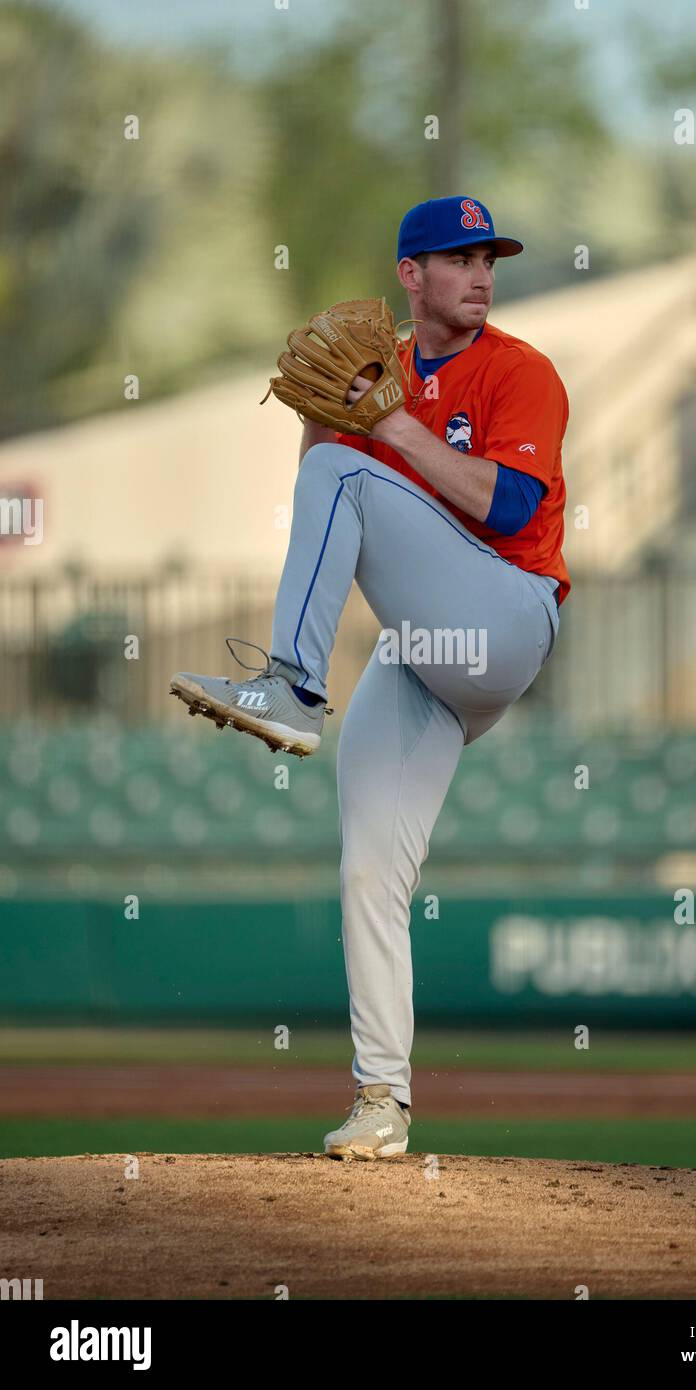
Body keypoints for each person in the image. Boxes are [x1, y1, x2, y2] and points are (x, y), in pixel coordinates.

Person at [170, 195, 570, 1160]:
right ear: (411, 275)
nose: (479, 273)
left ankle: (292, 684)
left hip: (509, 616)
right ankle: (382, 1100)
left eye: (489, 258)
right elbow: (329, 498)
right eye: (457, 257)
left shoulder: (521, 372)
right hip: (423, 654)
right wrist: (324, 419)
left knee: (344, 477)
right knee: (368, 866)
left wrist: (383, 433)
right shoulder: (371, 372)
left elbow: (512, 506)